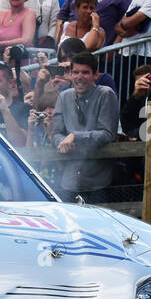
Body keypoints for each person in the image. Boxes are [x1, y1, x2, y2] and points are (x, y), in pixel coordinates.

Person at [50, 52, 121, 199]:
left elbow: (108, 134)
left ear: (96, 75)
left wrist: (75, 136)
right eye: (75, 72)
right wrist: (63, 143)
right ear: (70, 74)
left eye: (85, 72)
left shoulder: (105, 94)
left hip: (98, 181)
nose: (79, 77)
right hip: (68, 180)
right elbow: (56, 132)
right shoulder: (64, 97)